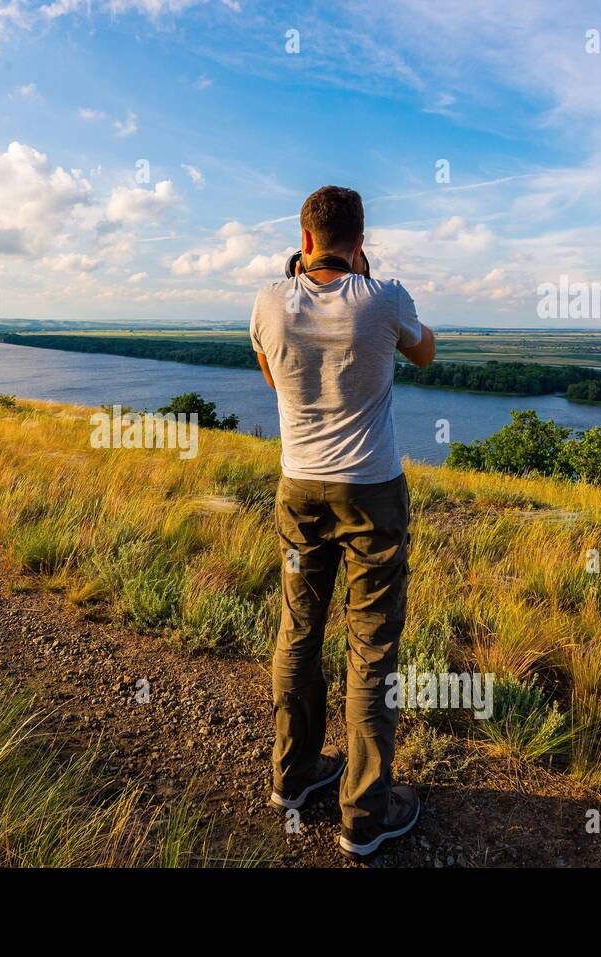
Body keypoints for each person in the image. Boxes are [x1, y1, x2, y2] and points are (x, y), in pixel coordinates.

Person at [250, 184, 436, 861]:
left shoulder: (270, 299)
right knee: (372, 645)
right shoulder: (383, 296)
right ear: (361, 241)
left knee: (298, 628)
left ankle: (293, 775)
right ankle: (365, 812)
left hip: (299, 488)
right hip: (372, 494)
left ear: (304, 241)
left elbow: (275, 378)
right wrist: (365, 284)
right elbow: (426, 352)